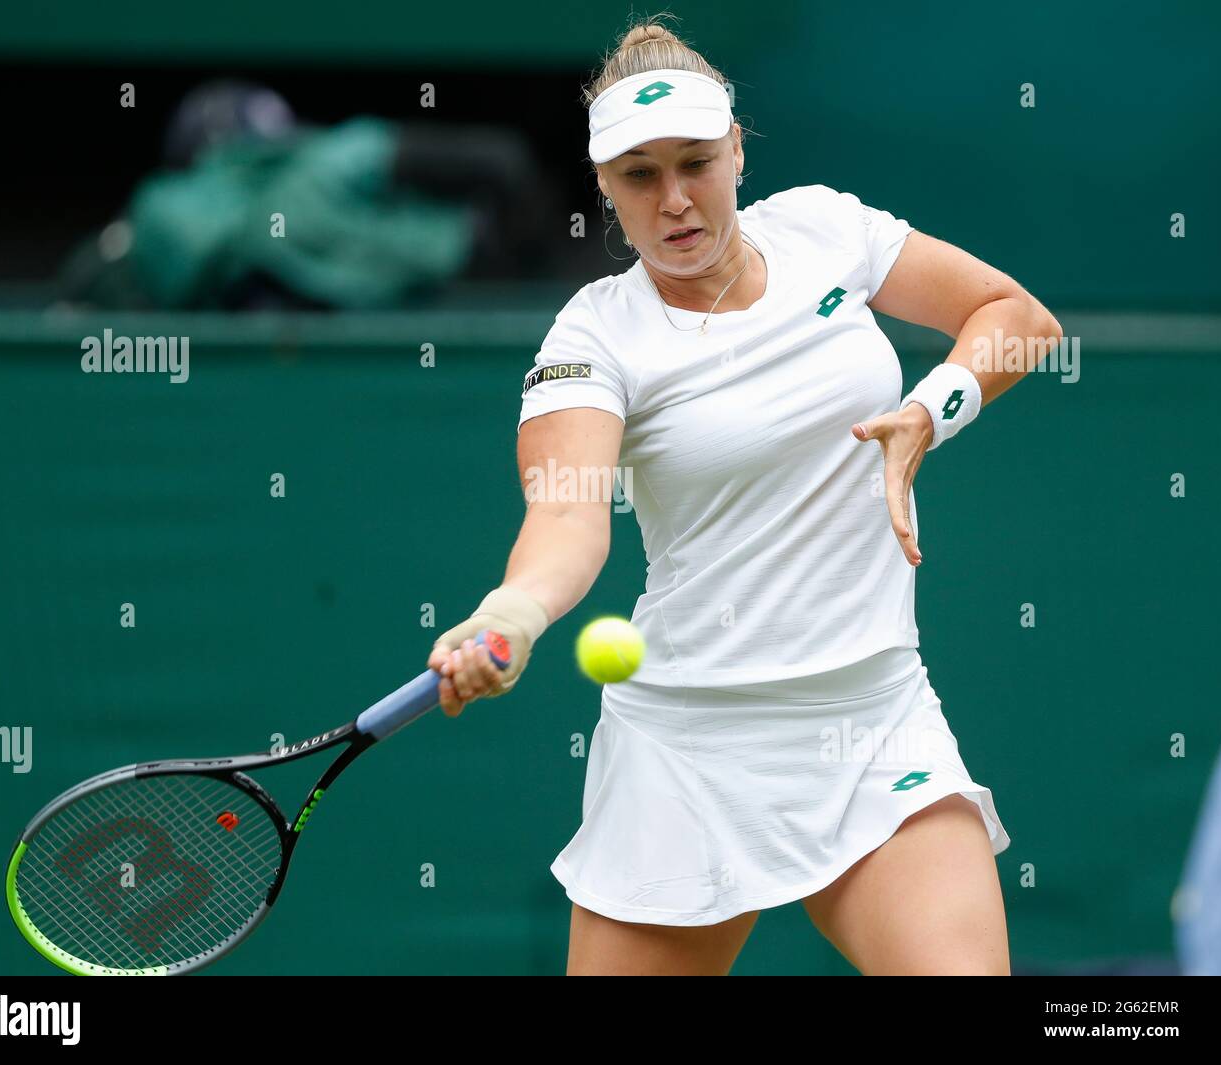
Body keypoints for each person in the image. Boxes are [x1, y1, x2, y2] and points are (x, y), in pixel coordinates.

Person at [427, 17, 1061, 976]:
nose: (676, 200)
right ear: (604, 186)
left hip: (874, 720)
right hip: (686, 753)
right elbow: (566, 515)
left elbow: (1017, 320)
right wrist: (510, 613)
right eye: (640, 175)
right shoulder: (593, 338)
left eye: (695, 163)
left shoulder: (825, 231)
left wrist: (930, 412)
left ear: (737, 151)